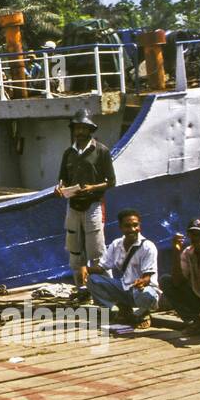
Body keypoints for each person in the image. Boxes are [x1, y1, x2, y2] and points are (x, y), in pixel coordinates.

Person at [55, 110, 115, 295]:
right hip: (72, 206)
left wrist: (92, 188)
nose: (80, 131)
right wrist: (59, 188)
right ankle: (82, 290)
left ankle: (109, 292)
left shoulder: (101, 151)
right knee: (75, 254)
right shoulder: (68, 153)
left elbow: (111, 181)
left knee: (97, 254)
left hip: (93, 206)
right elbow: (62, 179)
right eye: (77, 127)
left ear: (90, 130)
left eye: (83, 128)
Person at [86, 208, 159, 329]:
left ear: (139, 225)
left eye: (135, 225)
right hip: (125, 288)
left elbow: (147, 277)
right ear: (120, 227)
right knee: (93, 280)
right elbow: (101, 268)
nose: (132, 229)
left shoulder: (148, 247)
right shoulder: (116, 244)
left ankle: (144, 313)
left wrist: (141, 282)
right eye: (127, 226)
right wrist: (85, 269)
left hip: (144, 289)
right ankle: (124, 308)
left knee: (144, 293)